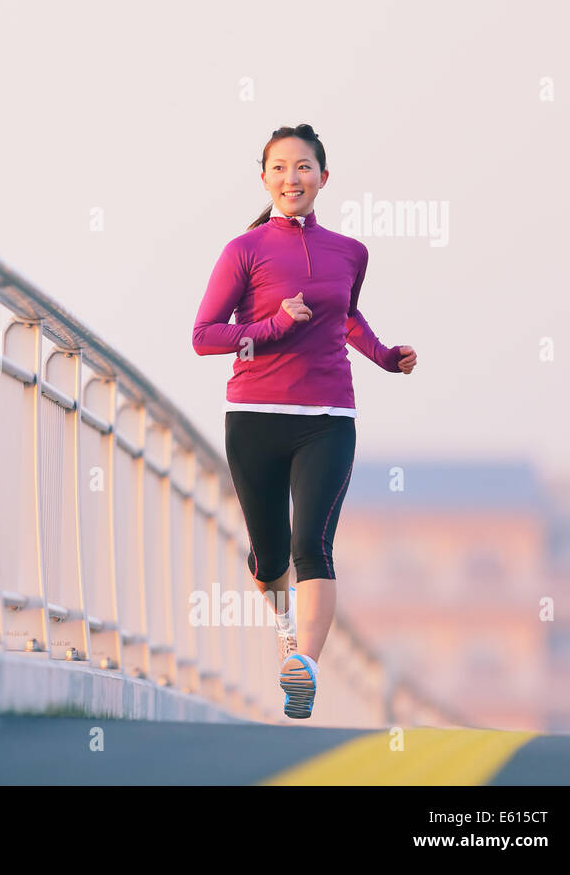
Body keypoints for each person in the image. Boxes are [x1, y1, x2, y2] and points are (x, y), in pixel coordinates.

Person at [191, 124, 417, 719]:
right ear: (264, 177)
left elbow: (349, 319)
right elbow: (204, 337)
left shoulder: (351, 251)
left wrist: (387, 358)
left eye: (304, 167)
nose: (293, 178)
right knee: (270, 560)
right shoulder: (244, 250)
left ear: (323, 176)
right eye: (280, 168)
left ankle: (304, 664)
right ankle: (286, 627)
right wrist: (271, 329)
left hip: (327, 416)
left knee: (312, 544)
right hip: (254, 417)